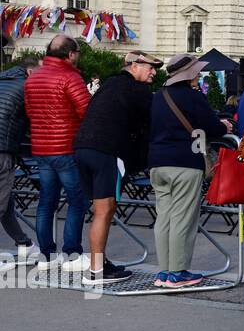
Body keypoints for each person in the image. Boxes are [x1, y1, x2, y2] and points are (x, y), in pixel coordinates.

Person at [73, 51, 163, 284]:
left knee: (99, 210)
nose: (154, 72)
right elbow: (154, 120)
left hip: (83, 147)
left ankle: (98, 263)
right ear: (133, 66)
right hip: (106, 152)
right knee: (104, 211)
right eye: (150, 67)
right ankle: (96, 271)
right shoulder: (137, 90)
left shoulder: (110, 84)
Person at [148, 54, 230, 288]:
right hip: (184, 162)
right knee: (183, 219)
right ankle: (177, 272)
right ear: (190, 74)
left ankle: (163, 272)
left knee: (164, 217)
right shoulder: (193, 97)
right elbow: (212, 127)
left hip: (157, 162)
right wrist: (222, 125)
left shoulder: (157, 97)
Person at [25, 35, 92, 272]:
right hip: (65, 147)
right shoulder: (70, 77)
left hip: (41, 148)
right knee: (78, 201)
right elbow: (87, 111)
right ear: (71, 54)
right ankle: (72, 253)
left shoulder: (33, 78)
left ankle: (46, 255)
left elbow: (30, 111)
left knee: (46, 203)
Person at [0, 56, 39, 255]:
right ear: (30, 72)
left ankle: (24, 244)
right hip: (2, 150)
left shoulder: (2, 80)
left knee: (6, 202)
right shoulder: (27, 87)